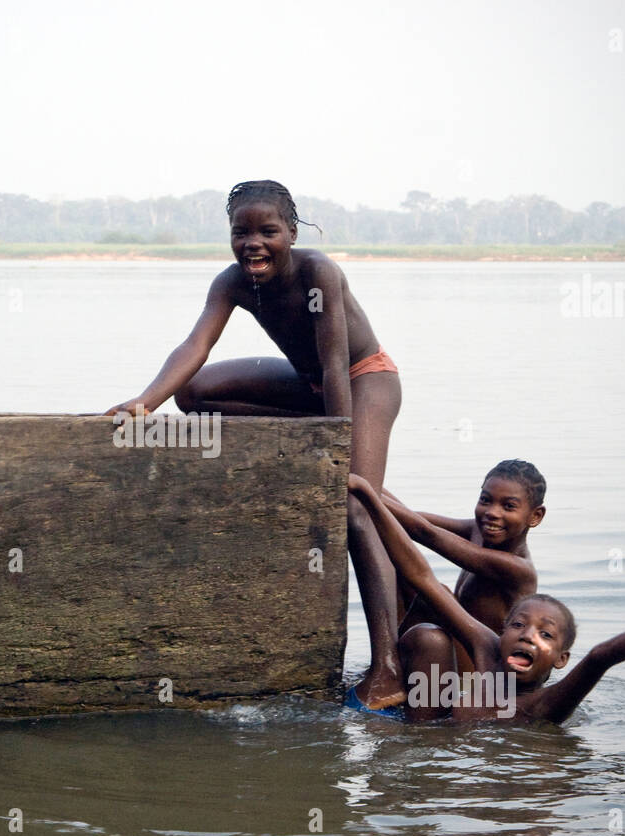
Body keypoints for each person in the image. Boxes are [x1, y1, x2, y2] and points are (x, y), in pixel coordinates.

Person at [104, 180, 405, 711]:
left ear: (292, 232)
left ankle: (389, 668)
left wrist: (333, 447)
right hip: (311, 387)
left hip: (364, 379)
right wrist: (145, 402)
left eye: (268, 231)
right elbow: (197, 344)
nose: (253, 243)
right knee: (193, 395)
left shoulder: (320, 274)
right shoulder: (233, 283)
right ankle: (329, 445)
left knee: (355, 507)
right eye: (240, 233)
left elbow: (337, 363)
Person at [347, 473, 625, 722]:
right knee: (425, 629)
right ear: (501, 632)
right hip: (441, 754)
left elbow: (602, 656)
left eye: (546, 636)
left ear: (561, 660)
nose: (528, 636)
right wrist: (366, 492)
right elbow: (423, 575)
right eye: (519, 625)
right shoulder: (486, 650)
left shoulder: (545, 705)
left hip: (491, 776)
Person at [379, 460, 545, 674]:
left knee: (435, 594)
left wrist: (365, 489)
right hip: (458, 650)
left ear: (535, 516)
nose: (493, 512)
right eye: (486, 500)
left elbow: (425, 532)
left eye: (508, 506)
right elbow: (412, 518)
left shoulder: (517, 569)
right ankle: (391, 663)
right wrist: (360, 478)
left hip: (478, 669)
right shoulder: (478, 530)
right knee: (399, 561)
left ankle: (390, 669)